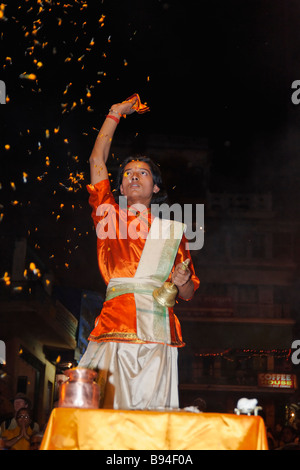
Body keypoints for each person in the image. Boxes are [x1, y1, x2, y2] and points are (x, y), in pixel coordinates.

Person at [78, 94, 200, 410]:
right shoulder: (108, 213)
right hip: (114, 326)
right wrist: (115, 112)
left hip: (159, 328)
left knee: (153, 415)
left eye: (142, 172)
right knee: (105, 412)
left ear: (155, 188)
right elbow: (96, 161)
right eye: (128, 173)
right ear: (118, 188)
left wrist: (182, 278)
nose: (134, 175)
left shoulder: (172, 232)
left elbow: (186, 293)